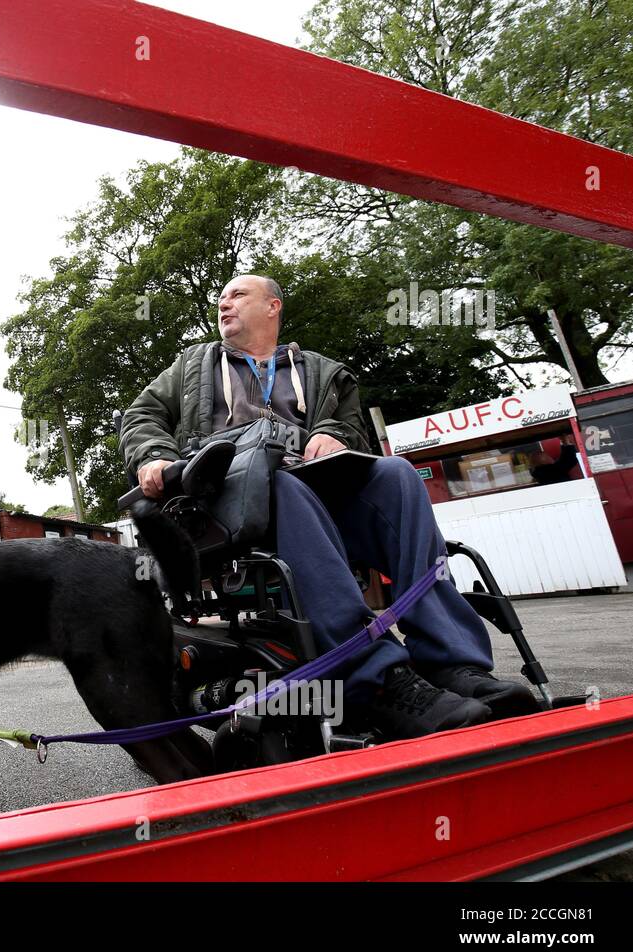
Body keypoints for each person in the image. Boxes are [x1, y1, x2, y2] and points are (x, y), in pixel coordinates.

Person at [121, 274, 538, 739]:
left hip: (319, 489)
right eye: (220, 299)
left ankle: (454, 664)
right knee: (280, 478)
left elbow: (351, 429)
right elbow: (141, 416)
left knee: (398, 475)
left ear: (273, 306)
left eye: (237, 295)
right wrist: (154, 455)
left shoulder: (323, 371)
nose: (224, 305)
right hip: (221, 501)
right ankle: (374, 679)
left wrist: (334, 435)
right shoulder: (193, 365)